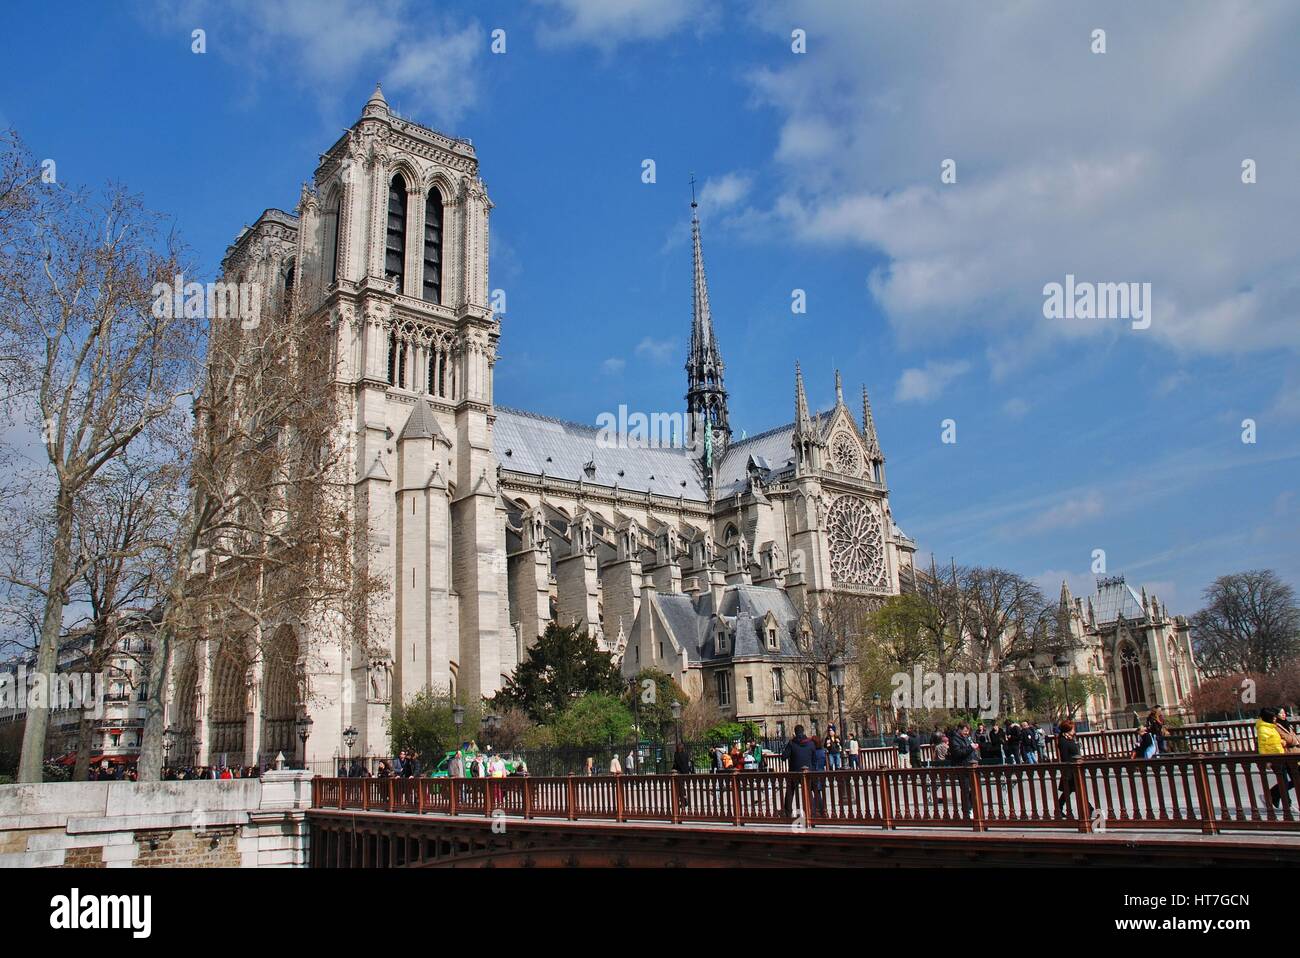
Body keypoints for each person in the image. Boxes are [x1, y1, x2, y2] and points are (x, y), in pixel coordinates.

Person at [1257, 706, 1300, 809]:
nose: (1280, 716)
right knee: (1284, 782)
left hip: (1287, 756)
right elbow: (1263, 745)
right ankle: (1287, 804)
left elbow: (1285, 739)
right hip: (1278, 758)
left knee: (1292, 780)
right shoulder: (1267, 728)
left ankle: (1272, 796)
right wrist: (1266, 760)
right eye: (1280, 714)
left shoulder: (1277, 725)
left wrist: (1285, 741)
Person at [781, 725, 816, 818]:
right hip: (807, 771)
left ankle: (787, 812)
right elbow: (814, 757)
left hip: (794, 772)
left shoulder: (792, 743)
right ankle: (812, 811)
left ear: (795, 732)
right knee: (808, 791)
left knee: (790, 791)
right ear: (803, 731)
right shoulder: (811, 743)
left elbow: (784, 757)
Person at [948, 724, 978, 819]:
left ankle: (973, 808)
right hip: (963, 767)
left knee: (973, 790)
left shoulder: (967, 738)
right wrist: (971, 748)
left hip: (972, 766)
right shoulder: (954, 739)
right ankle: (967, 810)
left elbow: (970, 749)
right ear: (960, 730)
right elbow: (958, 753)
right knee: (966, 790)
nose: (967, 733)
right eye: (965, 730)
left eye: (968, 731)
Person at [1056, 718, 1083, 816]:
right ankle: (1090, 809)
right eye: (1072, 729)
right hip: (1070, 770)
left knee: (1069, 791)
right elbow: (1065, 756)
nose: (1074, 731)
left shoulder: (1069, 739)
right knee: (1076, 790)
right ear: (1067, 730)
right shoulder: (1063, 741)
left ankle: (1058, 808)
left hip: (1074, 769)